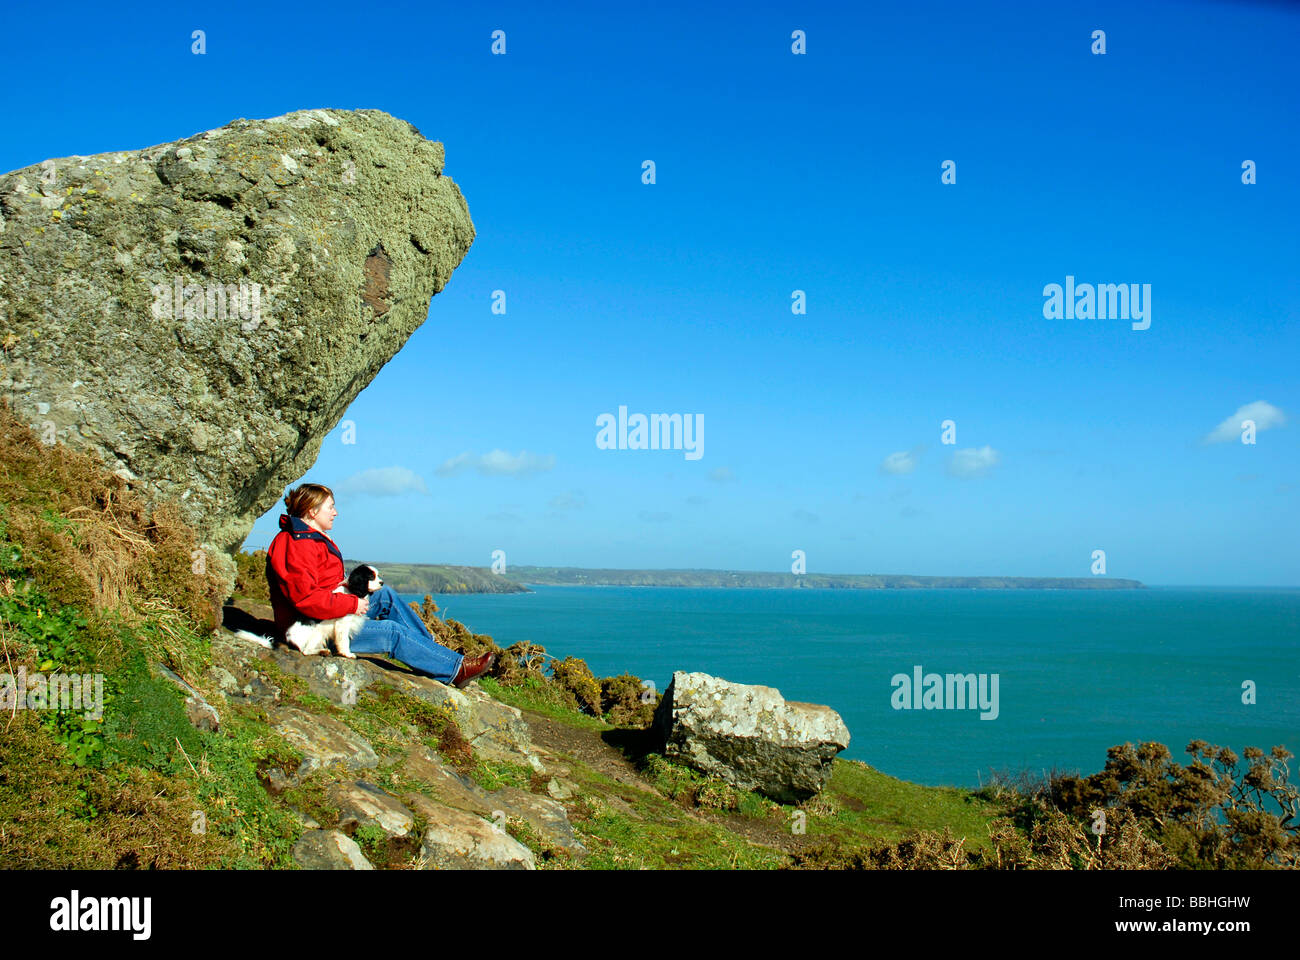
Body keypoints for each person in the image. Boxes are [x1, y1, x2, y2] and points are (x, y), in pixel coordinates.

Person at [265, 482, 495, 688]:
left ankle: (432, 655)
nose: (335, 512)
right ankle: (456, 670)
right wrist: (351, 604)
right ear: (312, 511)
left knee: (384, 595)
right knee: (393, 632)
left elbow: (323, 587)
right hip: (317, 631)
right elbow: (306, 599)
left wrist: (349, 596)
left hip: (330, 614)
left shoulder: (308, 537)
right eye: (330, 507)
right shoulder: (296, 544)